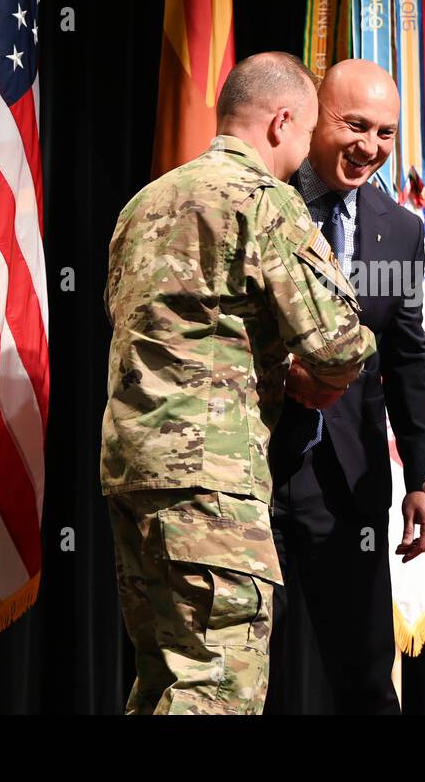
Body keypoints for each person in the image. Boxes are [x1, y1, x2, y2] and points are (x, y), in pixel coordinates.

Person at [101, 51, 377, 715]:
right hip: (213, 481)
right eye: (309, 134)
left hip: (133, 474)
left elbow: (162, 327)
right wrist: (317, 374)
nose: (308, 153)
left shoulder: (147, 201)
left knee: (162, 684)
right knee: (219, 689)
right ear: (284, 122)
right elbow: (338, 342)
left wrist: (277, 366)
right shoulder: (263, 200)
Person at [263, 59, 425, 715]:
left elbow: (408, 357)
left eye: (387, 133)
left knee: (366, 680)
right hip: (244, 470)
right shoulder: (255, 201)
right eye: (355, 125)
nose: (371, 147)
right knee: (245, 679)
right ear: (313, 116)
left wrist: (421, 477)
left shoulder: (397, 229)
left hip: (346, 485)